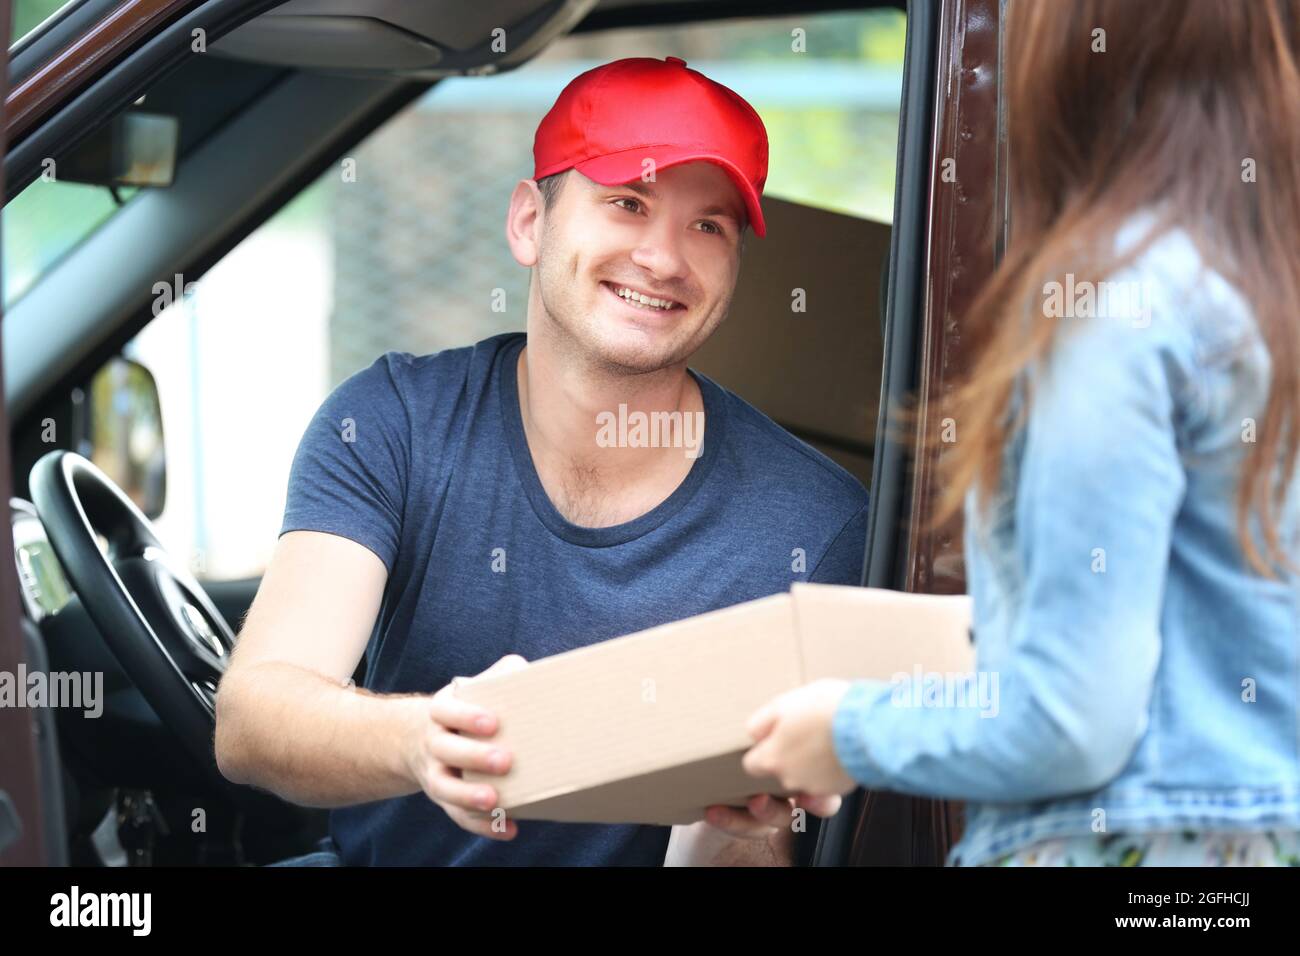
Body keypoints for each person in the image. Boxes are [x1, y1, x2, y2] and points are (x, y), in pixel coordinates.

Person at [215, 56, 867, 866]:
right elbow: (256, 718)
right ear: (529, 221)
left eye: (708, 225)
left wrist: (751, 824)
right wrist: (430, 741)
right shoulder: (392, 423)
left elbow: (760, 840)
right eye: (628, 203)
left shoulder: (815, 524)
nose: (664, 259)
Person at [742, 0, 1300, 867]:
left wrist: (847, 732)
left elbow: (1073, 721)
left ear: (1076, 52)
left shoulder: (1114, 312)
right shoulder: (1260, 300)